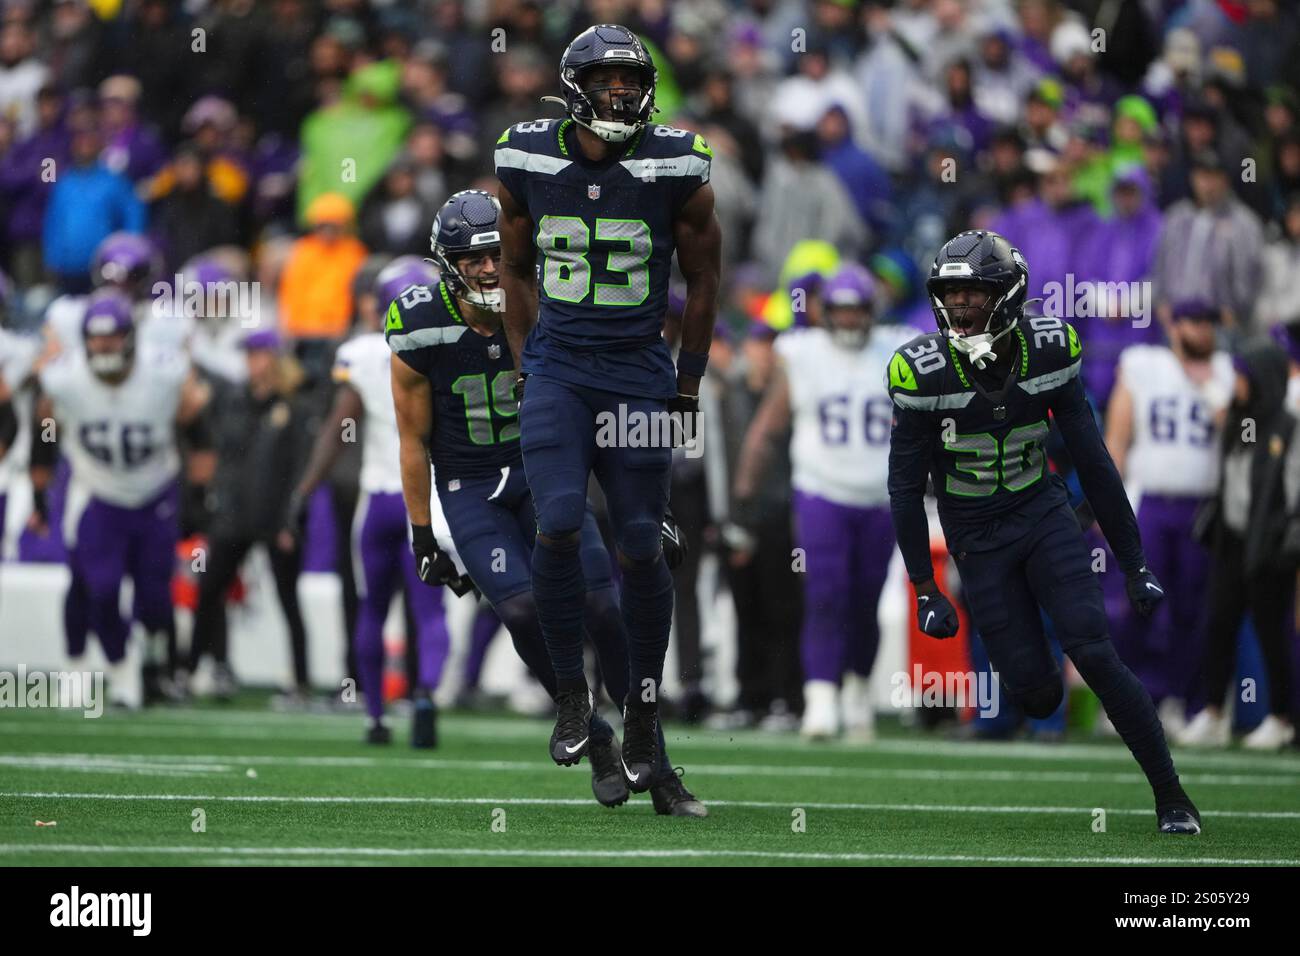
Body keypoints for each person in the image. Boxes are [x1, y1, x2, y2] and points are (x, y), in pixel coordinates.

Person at [389, 189, 705, 815]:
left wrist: (651, 499)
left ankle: (657, 763)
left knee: (602, 607)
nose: (485, 266)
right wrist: (422, 533)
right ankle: (592, 734)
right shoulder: (420, 321)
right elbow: (413, 437)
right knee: (524, 608)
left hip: (544, 471)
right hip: (471, 485)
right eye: (470, 256)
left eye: (493, 253)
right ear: (445, 262)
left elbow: (618, 393)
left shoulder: (549, 305)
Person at [885, 229, 1201, 834]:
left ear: (1006, 296)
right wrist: (925, 588)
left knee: (1093, 649)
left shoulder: (1050, 350)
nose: (959, 306)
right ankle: (1041, 698)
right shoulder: (921, 371)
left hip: (1042, 515)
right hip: (977, 540)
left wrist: (1133, 562)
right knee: (1037, 693)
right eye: (950, 294)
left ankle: (1172, 796)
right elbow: (902, 488)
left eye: (973, 294)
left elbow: (1094, 461)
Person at [495, 23, 720, 789]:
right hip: (559, 367)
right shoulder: (526, 157)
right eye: (607, 81)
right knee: (557, 520)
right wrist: (528, 365)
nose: (621, 93)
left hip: (639, 372)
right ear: (575, 88)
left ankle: (646, 713)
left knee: (639, 543)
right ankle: (569, 693)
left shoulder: (676, 164)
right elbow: (516, 268)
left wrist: (687, 385)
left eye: (632, 81)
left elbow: (705, 281)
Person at [734, 264, 913, 740]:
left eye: (858, 311)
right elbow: (770, 425)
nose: (851, 321)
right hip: (821, 492)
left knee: (866, 599)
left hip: (880, 495)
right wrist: (745, 490)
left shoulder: (895, 350)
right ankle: (820, 697)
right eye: (842, 311)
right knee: (824, 593)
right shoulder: (803, 354)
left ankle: (856, 689)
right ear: (827, 313)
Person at [292, 256, 455, 747]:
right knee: (429, 613)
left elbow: (337, 428)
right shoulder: (455, 347)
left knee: (372, 609)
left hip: (379, 499)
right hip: (431, 503)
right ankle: (424, 694)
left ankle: (376, 716)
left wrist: (304, 490)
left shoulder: (363, 353)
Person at [35, 288, 209, 706]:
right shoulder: (64, 377)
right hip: (97, 492)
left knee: (154, 594)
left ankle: (153, 666)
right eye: (96, 338)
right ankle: (121, 671)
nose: (104, 345)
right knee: (101, 587)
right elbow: (44, 428)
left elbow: (197, 428)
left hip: (155, 492)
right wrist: (41, 488)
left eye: (112, 336)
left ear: (130, 336)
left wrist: (200, 493)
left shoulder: (164, 371)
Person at [1103, 300, 1234, 735]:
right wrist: (1110, 500)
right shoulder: (1144, 364)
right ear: (1173, 325)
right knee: (1137, 603)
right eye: (1193, 322)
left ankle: (1187, 703)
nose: (1201, 331)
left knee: (1194, 611)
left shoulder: (1227, 372)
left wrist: (1208, 386)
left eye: (1208, 322)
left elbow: (1237, 433)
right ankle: (1134, 702)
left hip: (1203, 510)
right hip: (1153, 504)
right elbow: (1117, 439)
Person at [1179, 338, 1299, 751]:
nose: (1238, 383)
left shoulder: (1287, 427)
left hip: (1268, 544)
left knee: (1271, 632)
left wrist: (1284, 542)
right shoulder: (1237, 419)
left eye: (1245, 375)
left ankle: (1281, 718)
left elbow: (1291, 493)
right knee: (1218, 625)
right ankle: (1214, 712)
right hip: (1231, 540)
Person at [186, 330, 312, 701]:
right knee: (208, 591)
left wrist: (292, 519)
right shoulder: (233, 401)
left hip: (275, 519)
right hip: (234, 516)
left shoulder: (294, 406)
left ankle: (299, 680)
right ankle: (193, 669)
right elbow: (218, 454)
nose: (254, 363)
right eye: (250, 355)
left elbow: (300, 468)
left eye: (260, 355)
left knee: (289, 600)